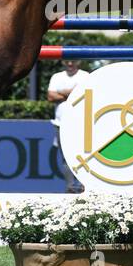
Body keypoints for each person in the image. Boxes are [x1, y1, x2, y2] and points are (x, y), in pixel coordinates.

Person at [47, 60, 90, 194]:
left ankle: (84, 186)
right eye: (67, 61)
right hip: (61, 124)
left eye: (74, 61)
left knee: (85, 155)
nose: (70, 64)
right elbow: (50, 96)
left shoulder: (85, 76)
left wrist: (62, 93)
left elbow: (87, 95)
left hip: (82, 124)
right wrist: (73, 92)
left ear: (80, 62)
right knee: (66, 157)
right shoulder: (57, 76)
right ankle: (71, 187)